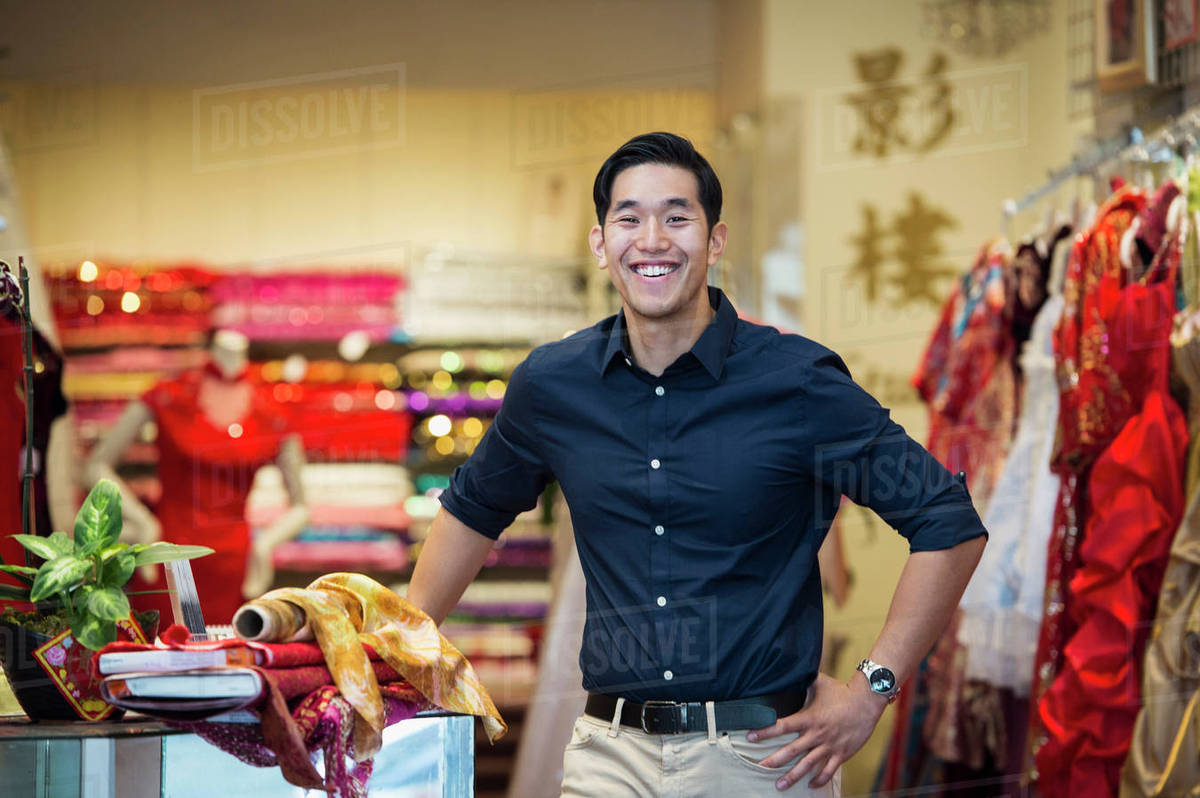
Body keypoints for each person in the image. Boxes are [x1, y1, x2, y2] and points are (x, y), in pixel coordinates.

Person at [407, 132, 987, 796]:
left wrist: (871, 690)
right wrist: (399, 653)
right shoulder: (553, 385)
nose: (652, 239)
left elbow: (948, 521)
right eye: (629, 218)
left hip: (762, 760)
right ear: (601, 245)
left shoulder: (798, 382)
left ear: (714, 241)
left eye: (677, 217)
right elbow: (472, 510)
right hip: (608, 754)